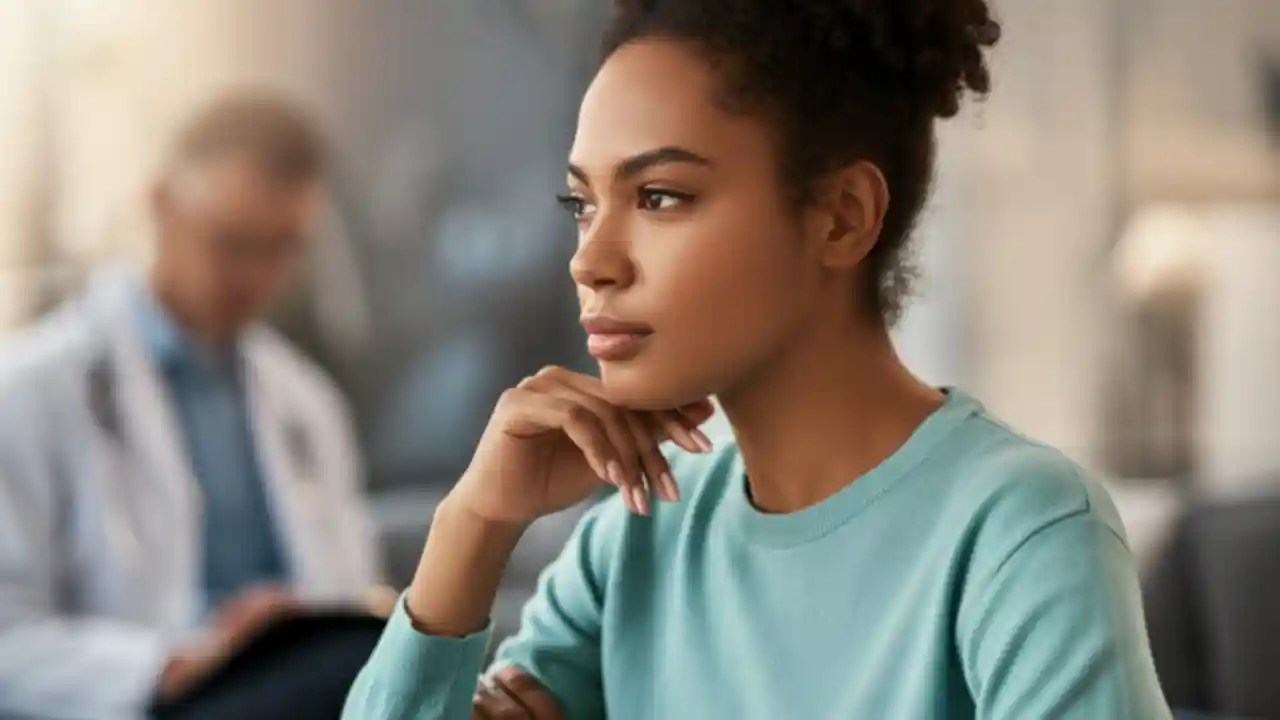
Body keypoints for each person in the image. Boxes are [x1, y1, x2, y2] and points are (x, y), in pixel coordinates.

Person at [344, 1, 1172, 718]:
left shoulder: (1019, 531)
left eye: (660, 196)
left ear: (842, 217)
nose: (590, 260)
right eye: (582, 203)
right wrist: (475, 524)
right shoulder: (639, 531)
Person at [0, 92, 383, 719]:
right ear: (159, 206)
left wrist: (290, 624)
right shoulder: (29, 391)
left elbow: (344, 587)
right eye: (232, 243)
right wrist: (174, 663)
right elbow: (6, 644)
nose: (256, 276)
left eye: (284, 247)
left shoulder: (305, 401)